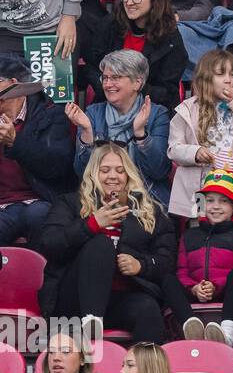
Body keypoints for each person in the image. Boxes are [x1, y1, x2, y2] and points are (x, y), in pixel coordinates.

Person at [40, 142, 190, 345]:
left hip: (121, 298)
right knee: (101, 243)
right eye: (105, 170)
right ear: (93, 173)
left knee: (148, 309)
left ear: (128, 175)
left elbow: (167, 260)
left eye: (120, 171)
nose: (113, 176)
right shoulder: (69, 203)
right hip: (74, 300)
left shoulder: (149, 211)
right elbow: (50, 244)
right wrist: (92, 224)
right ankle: (92, 322)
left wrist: (141, 265)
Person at [166, 49, 233, 219]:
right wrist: (195, 152)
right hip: (199, 188)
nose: (228, 80)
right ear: (206, 78)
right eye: (221, 74)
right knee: (198, 227)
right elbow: (174, 150)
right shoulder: (186, 109)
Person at [68, 49, 171, 206]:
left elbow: (158, 171)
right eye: (105, 78)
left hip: (147, 199)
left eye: (115, 78)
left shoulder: (157, 114)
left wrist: (140, 134)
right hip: (101, 199)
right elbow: (83, 173)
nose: (108, 84)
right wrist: (87, 132)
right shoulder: (93, 113)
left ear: (137, 82)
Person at [175, 170, 233, 346]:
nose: (216, 206)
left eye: (223, 201)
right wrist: (193, 288)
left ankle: (227, 333)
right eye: (209, 201)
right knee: (168, 279)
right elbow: (182, 271)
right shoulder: (189, 236)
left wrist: (216, 286)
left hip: (232, 296)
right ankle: (190, 325)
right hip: (195, 294)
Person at [0, 51, 77, 245]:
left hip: (38, 199)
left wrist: (15, 142)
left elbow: (57, 167)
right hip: (2, 206)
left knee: (38, 215)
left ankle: (43, 274)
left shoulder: (51, 114)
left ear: (13, 83)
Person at [84, 0, 186, 110]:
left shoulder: (170, 38)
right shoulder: (110, 25)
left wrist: (132, 88)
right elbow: (90, 67)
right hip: (109, 105)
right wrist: (105, 83)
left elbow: (168, 92)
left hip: (151, 110)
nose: (129, 2)